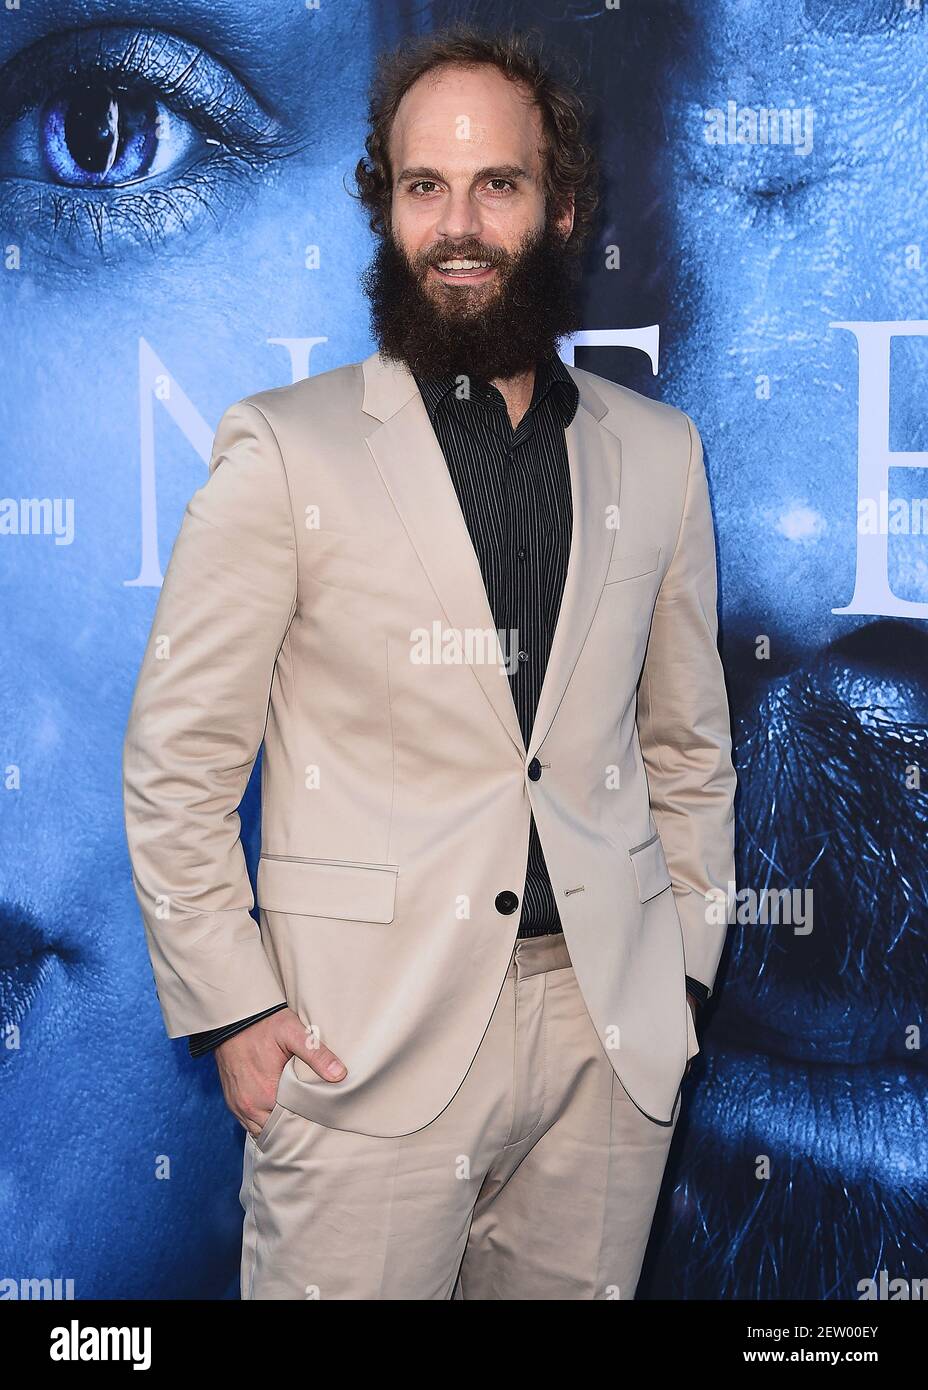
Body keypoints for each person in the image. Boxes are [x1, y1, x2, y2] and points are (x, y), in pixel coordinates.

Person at [122, 25, 737, 1300]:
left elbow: (686, 749)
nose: (457, 223)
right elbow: (179, 763)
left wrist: (678, 979)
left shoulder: (659, 453)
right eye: (423, 187)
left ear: (560, 209)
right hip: (362, 1047)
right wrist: (236, 1007)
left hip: (604, 1043)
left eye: (496, 184)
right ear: (387, 208)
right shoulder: (284, 451)